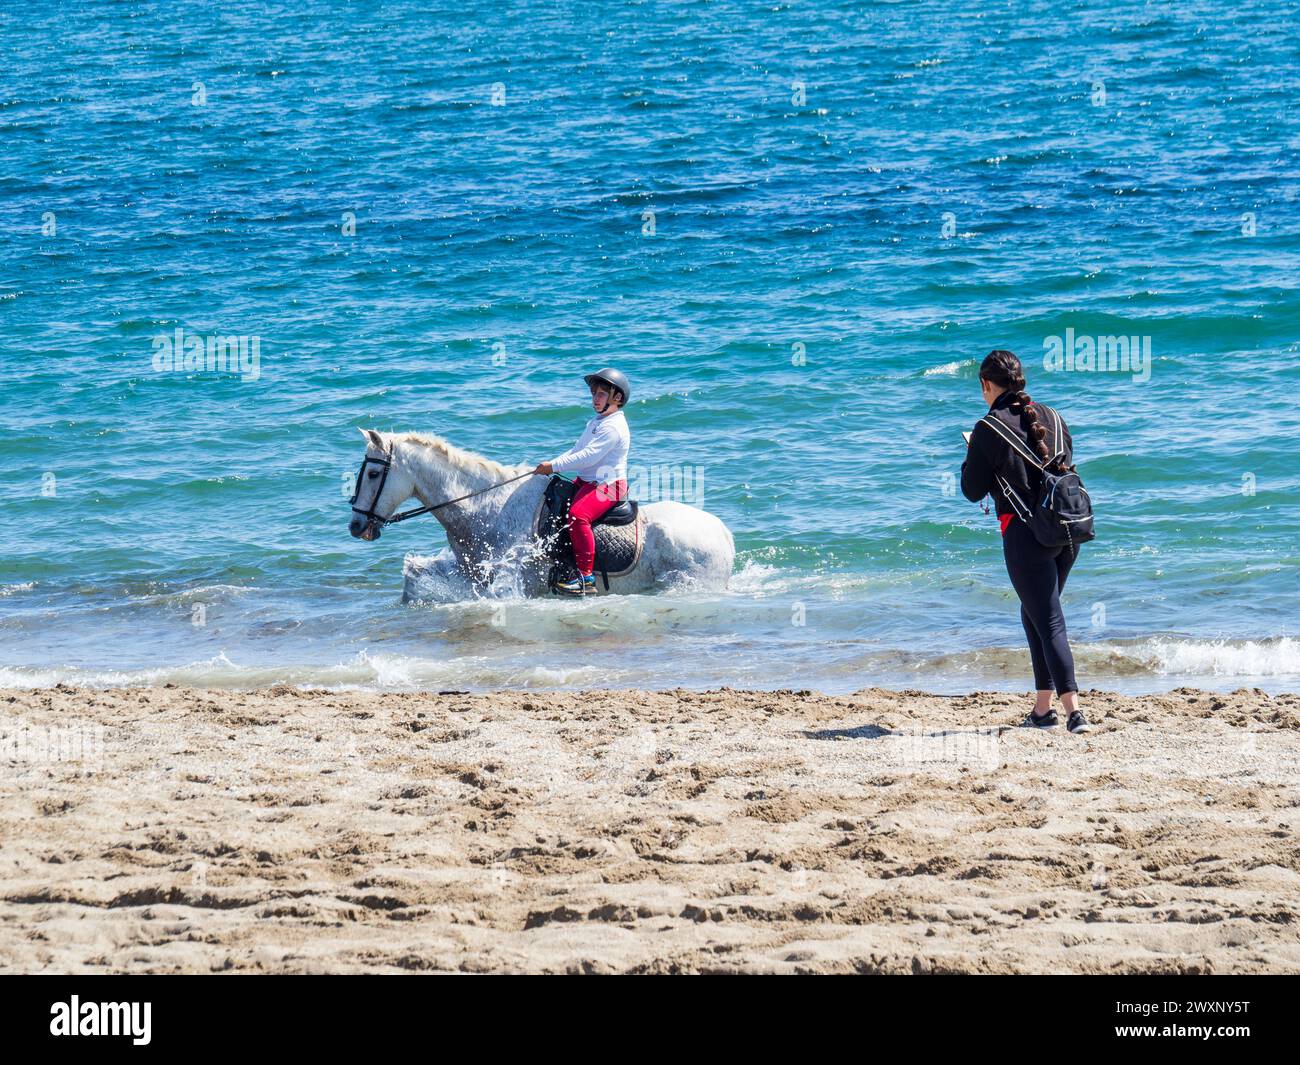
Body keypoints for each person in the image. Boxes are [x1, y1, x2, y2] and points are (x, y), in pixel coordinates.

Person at [961, 350, 1090, 733]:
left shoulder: (988, 428)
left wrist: (972, 453)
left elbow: (972, 490)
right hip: (1068, 529)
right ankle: (1042, 709)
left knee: (1048, 618)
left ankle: (1074, 712)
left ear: (986, 385)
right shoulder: (1054, 416)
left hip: (1025, 534)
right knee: (1035, 612)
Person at [532, 368, 631, 595]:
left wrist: (554, 466)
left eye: (601, 394)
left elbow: (589, 456)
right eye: (594, 394)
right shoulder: (596, 422)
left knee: (579, 515)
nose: (595, 399)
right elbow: (577, 450)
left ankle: (586, 578)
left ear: (617, 398)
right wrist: (551, 465)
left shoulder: (614, 427)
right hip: (587, 481)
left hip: (609, 486)